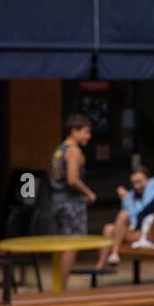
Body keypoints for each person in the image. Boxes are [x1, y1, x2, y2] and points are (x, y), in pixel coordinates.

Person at [49, 114, 96, 281]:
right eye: (86, 132)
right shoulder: (73, 150)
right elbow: (72, 179)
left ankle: (59, 284)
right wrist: (88, 193)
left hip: (57, 201)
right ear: (74, 131)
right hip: (71, 203)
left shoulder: (60, 149)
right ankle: (62, 286)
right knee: (72, 244)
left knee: (62, 244)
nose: (88, 136)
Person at [101, 165, 154, 267]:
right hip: (132, 229)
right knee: (108, 229)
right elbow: (129, 219)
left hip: (148, 233)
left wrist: (127, 199)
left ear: (149, 179)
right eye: (133, 183)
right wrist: (127, 199)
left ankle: (114, 254)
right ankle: (101, 266)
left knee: (123, 215)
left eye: (139, 182)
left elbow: (140, 216)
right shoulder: (132, 194)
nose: (136, 186)